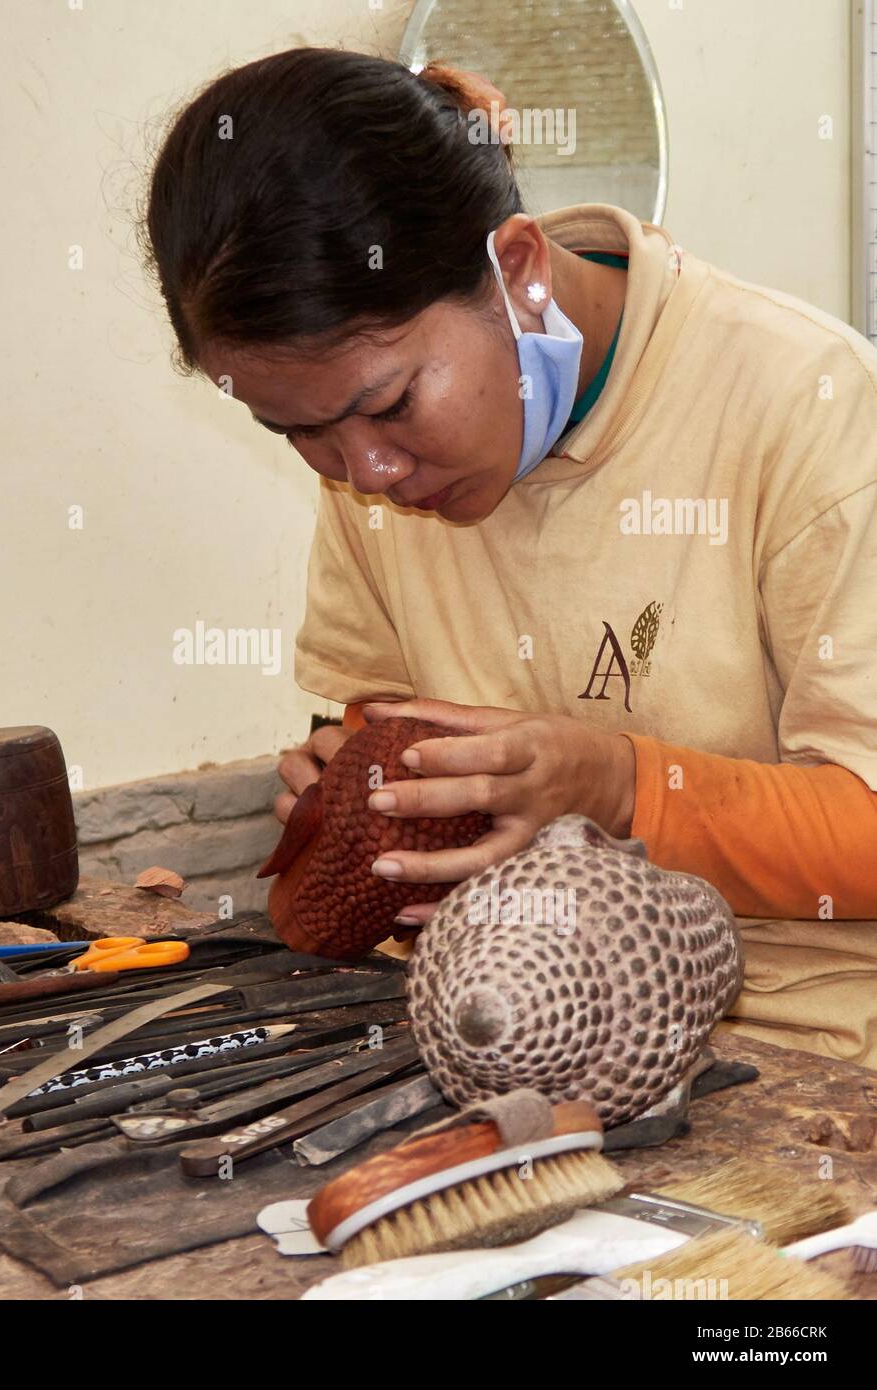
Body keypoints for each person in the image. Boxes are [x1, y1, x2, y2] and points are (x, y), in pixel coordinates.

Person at [143, 47, 877, 1068]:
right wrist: (358, 777)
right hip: (490, 1013)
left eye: (390, 403)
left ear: (518, 270)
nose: (369, 472)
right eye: (297, 433)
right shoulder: (366, 461)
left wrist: (618, 788)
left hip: (791, 1050)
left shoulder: (808, 406)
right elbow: (375, 705)